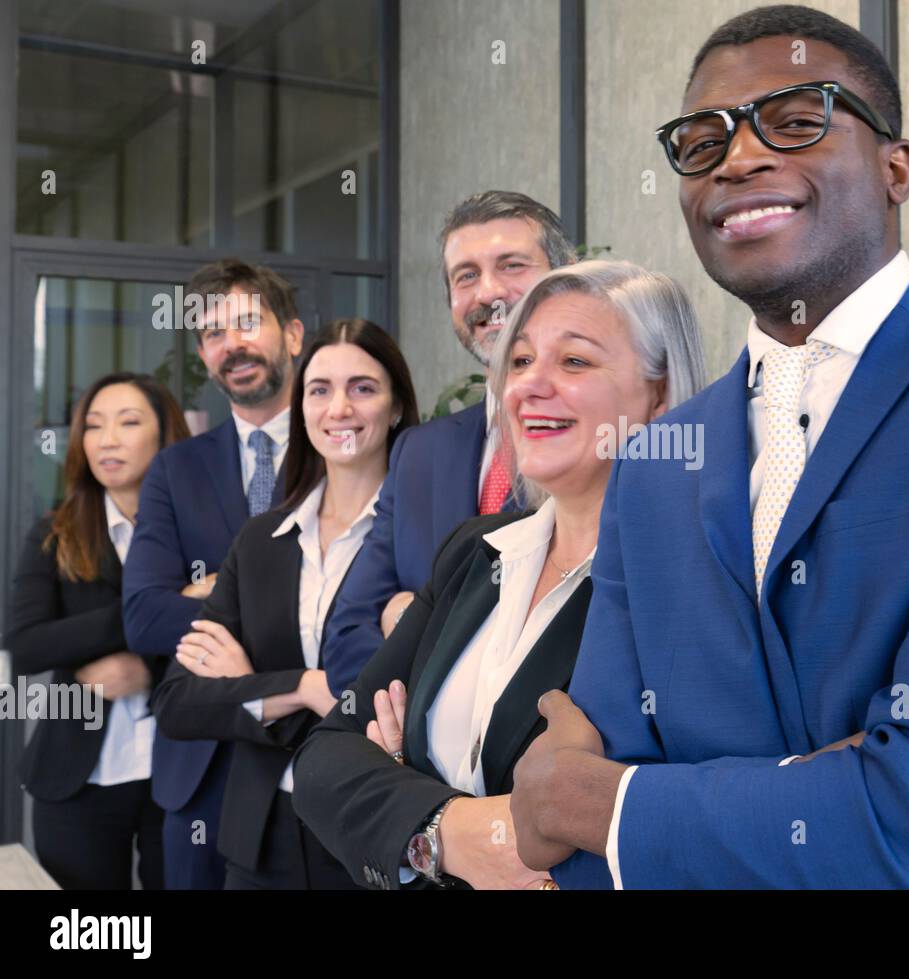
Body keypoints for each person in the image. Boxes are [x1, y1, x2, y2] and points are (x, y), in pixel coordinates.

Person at [509, 4, 909, 888]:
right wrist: (848, 786)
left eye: (795, 117)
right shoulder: (655, 462)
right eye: (703, 140)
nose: (738, 156)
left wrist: (609, 804)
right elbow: (574, 862)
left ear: (897, 168)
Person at [291, 261, 706, 889]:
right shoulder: (475, 552)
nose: (527, 388)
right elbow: (325, 758)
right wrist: (446, 831)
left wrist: (401, 776)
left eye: (574, 362)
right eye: (518, 362)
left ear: (660, 395)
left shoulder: (695, 582)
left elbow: (684, 818)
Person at [152, 319, 419, 889]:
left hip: (375, 835)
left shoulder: (429, 539)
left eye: (363, 388)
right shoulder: (260, 541)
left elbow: (411, 713)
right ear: (301, 408)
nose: (338, 408)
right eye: (319, 389)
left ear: (396, 407)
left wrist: (251, 685)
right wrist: (300, 686)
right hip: (261, 838)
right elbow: (179, 704)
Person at [320, 192, 577, 696]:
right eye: (465, 276)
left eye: (512, 265)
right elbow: (346, 633)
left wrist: (413, 618)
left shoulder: (613, 437)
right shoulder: (419, 452)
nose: (488, 292)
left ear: (565, 277)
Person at [123, 258, 304, 889]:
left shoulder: (343, 446)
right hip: (201, 768)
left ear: (294, 335)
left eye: (248, 322)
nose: (233, 344)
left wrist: (208, 596)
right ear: (203, 355)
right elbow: (144, 615)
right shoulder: (176, 470)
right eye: (213, 333)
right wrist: (279, 614)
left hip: (305, 757)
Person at [7, 373, 190, 889]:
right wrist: (147, 613)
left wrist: (150, 671)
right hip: (78, 777)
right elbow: (24, 647)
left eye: (128, 422)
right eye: (93, 425)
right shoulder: (56, 531)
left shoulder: (197, 532)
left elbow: (229, 630)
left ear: (164, 434)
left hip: (177, 773)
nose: (107, 439)